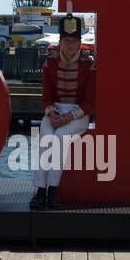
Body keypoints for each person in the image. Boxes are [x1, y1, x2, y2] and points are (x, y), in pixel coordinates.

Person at [31, 14, 96, 209]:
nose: (70, 45)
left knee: (59, 138)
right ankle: (40, 190)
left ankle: (52, 190)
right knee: (45, 137)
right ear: (60, 42)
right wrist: (51, 113)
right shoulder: (50, 63)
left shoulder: (88, 65)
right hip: (54, 111)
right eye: (66, 41)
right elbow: (46, 98)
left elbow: (89, 103)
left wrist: (70, 116)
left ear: (80, 43)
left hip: (78, 114)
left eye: (74, 41)